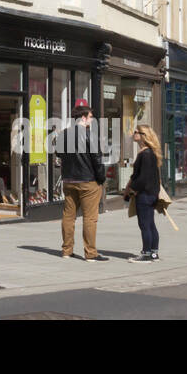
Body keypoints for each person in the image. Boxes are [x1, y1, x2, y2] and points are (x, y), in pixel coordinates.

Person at [57, 102, 108, 262]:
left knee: (68, 216)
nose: (92, 120)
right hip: (88, 181)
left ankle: (66, 250)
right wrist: (101, 178)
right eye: (91, 117)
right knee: (90, 217)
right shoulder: (90, 135)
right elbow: (97, 160)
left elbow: (59, 154)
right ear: (84, 117)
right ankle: (90, 253)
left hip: (69, 180)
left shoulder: (63, 134)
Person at [123, 124, 163, 263]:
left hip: (144, 194)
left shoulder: (145, 154)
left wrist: (132, 190)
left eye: (136, 132)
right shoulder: (150, 153)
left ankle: (146, 253)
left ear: (143, 136)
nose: (134, 133)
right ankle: (153, 253)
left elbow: (142, 178)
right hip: (151, 193)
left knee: (145, 224)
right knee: (150, 224)